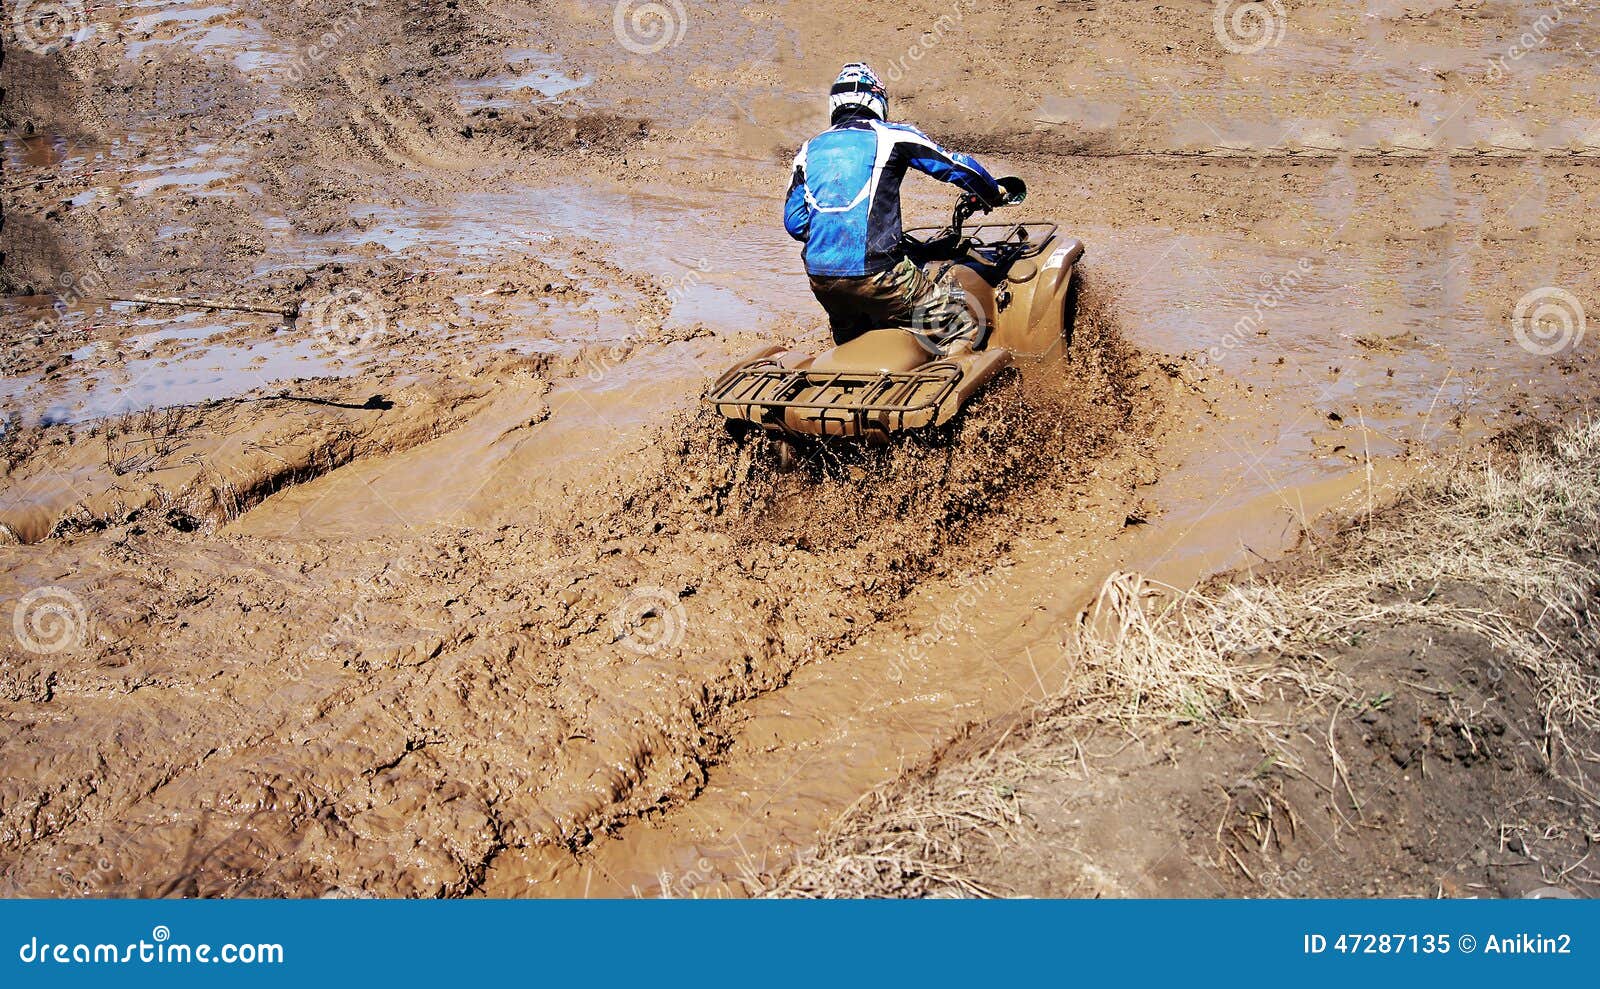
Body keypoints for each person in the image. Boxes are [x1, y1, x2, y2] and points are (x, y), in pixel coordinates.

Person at [784, 62, 1007, 355]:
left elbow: (795, 223)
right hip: (880, 274)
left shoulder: (808, 150)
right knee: (961, 327)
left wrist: (838, 235)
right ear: (877, 99)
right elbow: (955, 166)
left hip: (823, 281)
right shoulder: (892, 135)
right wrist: (992, 193)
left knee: (851, 346)